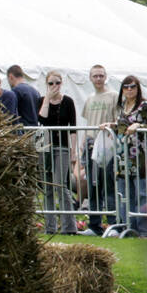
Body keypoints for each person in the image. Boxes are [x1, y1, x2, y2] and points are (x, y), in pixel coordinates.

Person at [102, 74, 147, 237]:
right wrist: (111, 125)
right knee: (124, 194)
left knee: (142, 193)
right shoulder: (122, 106)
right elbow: (122, 125)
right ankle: (129, 227)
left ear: (138, 88)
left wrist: (139, 125)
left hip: (139, 157)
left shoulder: (145, 106)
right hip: (122, 156)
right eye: (126, 87)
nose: (129, 90)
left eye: (132, 86)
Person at [37, 69, 78, 234]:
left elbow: (73, 128)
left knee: (61, 185)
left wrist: (73, 151)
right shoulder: (41, 100)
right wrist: (47, 98)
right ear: (46, 85)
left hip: (62, 146)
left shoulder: (68, 101)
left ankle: (69, 227)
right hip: (44, 146)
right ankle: (50, 226)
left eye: (57, 83)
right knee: (46, 187)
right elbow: (42, 118)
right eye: (51, 83)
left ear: (62, 84)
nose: (54, 86)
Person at [81, 64, 119, 236]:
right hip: (90, 145)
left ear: (106, 77)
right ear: (90, 78)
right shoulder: (89, 99)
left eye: (101, 76)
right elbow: (87, 123)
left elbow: (118, 120)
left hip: (107, 146)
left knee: (108, 186)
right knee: (93, 186)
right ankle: (94, 225)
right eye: (95, 76)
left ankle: (112, 224)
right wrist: (82, 145)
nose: (98, 79)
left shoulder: (113, 96)